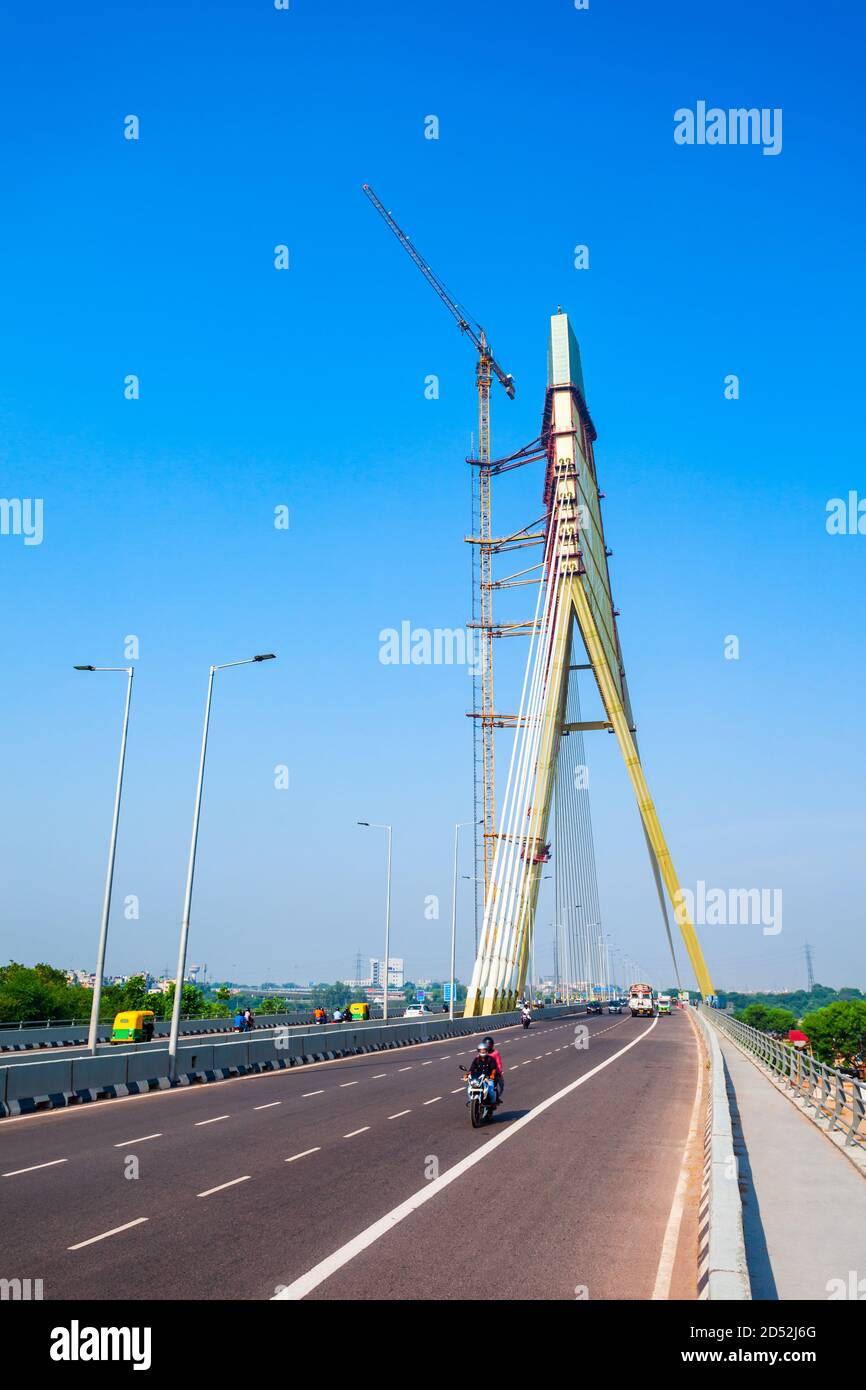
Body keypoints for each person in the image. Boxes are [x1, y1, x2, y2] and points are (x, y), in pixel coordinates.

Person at [465, 1040, 502, 1107]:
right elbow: (471, 1069)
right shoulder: (476, 1060)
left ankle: (494, 1101)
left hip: (487, 1078)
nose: (482, 1052)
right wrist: (467, 1075)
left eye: (484, 1050)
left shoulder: (490, 1059)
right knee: (469, 1087)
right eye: (481, 1050)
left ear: (486, 1050)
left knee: (492, 1088)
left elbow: (494, 1068)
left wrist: (492, 1075)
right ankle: (471, 1100)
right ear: (478, 1051)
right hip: (478, 1078)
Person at [483, 1035, 505, 1105]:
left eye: (489, 1045)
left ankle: (496, 1097)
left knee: (498, 1085)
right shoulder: (482, 1052)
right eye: (486, 1045)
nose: (488, 1046)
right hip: (484, 1072)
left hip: (493, 1071)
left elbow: (498, 1063)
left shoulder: (495, 1053)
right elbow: (476, 1062)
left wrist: (500, 1071)